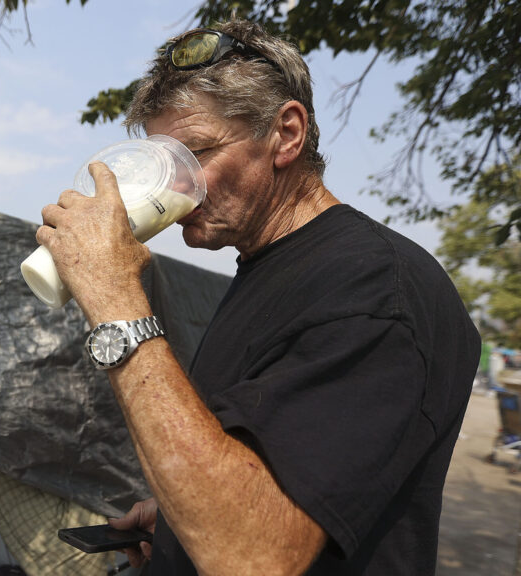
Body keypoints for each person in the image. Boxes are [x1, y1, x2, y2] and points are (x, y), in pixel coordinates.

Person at [36, 19, 480, 576]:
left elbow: (254, 555)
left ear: (286, 134)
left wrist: (116, 299)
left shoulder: (371, 288)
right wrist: (179, 523)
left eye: (196, 153)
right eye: (164, 162)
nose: (175, 185)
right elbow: (272, 469)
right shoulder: (269, 267)